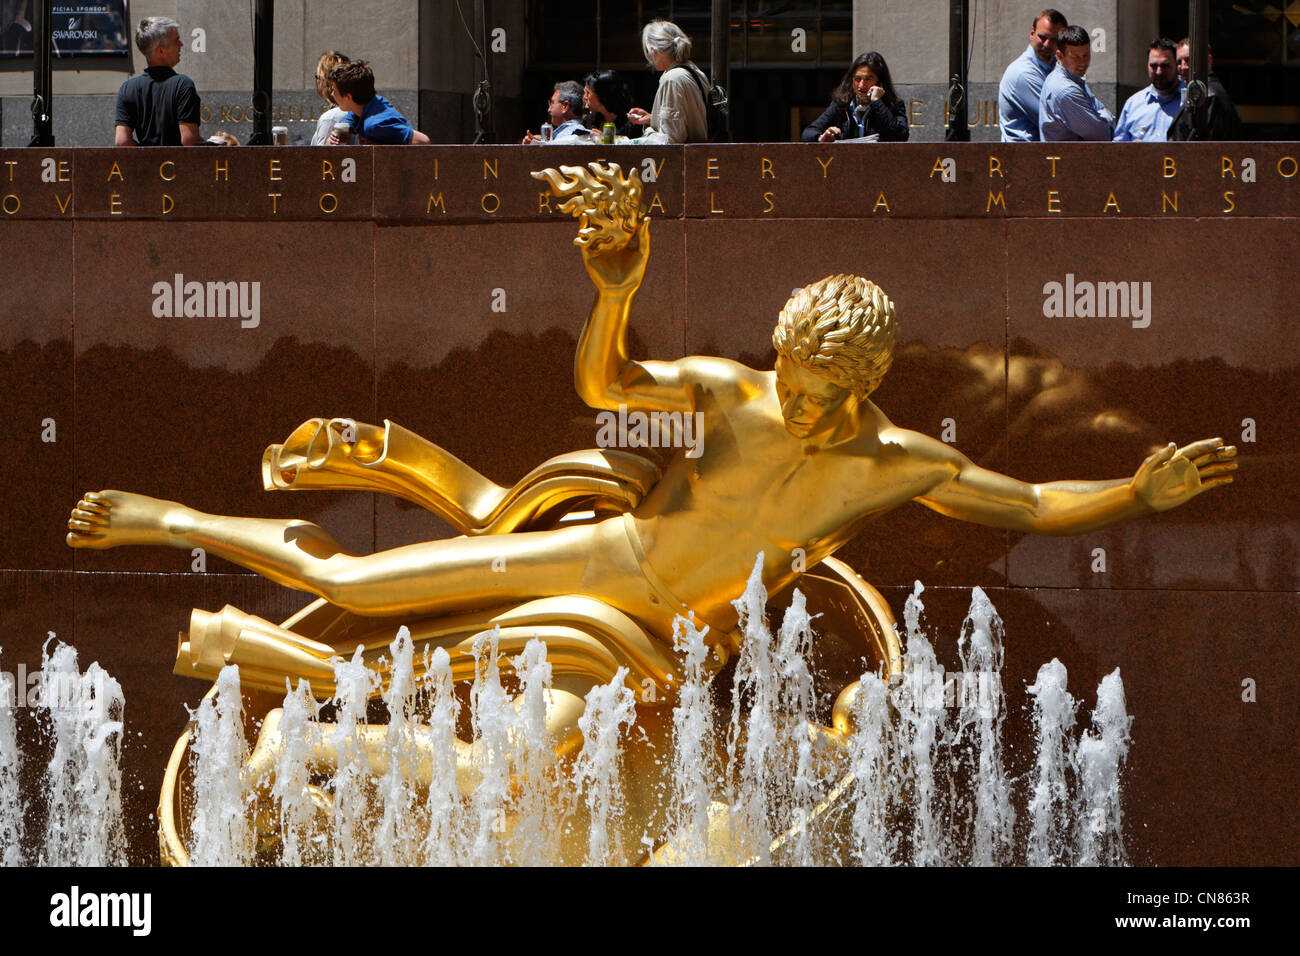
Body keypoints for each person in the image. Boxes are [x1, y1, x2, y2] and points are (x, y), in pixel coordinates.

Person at [68, 162, 1236, 705]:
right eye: (793, 373)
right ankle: (173, 518)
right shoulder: (731, 392)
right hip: (607, 562)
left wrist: (1137, 493)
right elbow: (605, 379)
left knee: (425, 686)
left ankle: (242, 645)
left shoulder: (897, 463)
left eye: (826, 387)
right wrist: (615, 284)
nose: (802, 401)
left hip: (687, 641)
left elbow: (1027, 504)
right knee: (371, 587)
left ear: (871, 376)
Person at [114, 16, 201, 146]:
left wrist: (149, 158)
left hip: (145, 165)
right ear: (161, 51)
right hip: (178, 165)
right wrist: (214, 144)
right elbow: (189, 140)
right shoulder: (183, 85)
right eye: (176, 40)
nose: (181, 44)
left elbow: (122, 141)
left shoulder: (128, 88)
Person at [627, 20, 709, 144]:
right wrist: (653, 118)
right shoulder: (694, 71)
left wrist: (649, 130)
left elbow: (669, 141)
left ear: (653, 51)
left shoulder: (672, 79)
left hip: (683, 161)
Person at [801, 51, 908, 143]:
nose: (861, 86)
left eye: (868, 79)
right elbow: (808, 133)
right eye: (857, 79)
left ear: (880, 82)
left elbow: (901, 136)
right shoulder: (842, 104)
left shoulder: (893, 105)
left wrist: (876, 102)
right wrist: (821, 137)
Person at [997, 9, 1068, 142]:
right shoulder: (1022, 73)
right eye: (1043, 37)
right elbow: (1055, 123)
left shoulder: (1058, 68)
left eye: (1054, 40)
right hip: (1022, 157)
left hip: (1044, 156)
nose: (1047, 44)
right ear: (1032, 33)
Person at [1038, 24, 1114, 141]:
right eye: (1075, 57)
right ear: (1060, 56)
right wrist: (1107, 120)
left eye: (1086, 55)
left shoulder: (1074, 78)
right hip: (1067, 158)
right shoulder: (1065, 90)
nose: (1082, 62)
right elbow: (1102, 134)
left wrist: (1102, 118)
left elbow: (1099, 108)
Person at [327, 60, 430, 145]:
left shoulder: (375, 125)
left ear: (348, 97)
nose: (332, 94)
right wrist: (334, 137)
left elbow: (423, 141)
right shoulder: (358, 111)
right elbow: (332, 143)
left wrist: (379, 148)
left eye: (334, 90)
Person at [1167, 38, 1242, 141]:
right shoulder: (1205, 92)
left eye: (1189, 60)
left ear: (1208, 60)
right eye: (1179, 62)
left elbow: (1203, 146)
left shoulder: (1208, 95)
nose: (1183, 67)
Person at [1112, 38, 1184, 142]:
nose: (1159, 72)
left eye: (1165, 66)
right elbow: (1118, 147)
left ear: (1176, 65)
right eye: (1153, 66)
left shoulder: (1188, 102)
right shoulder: (1133, 104)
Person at [311, 50, 355, 146]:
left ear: (325, 80)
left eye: (317, 76)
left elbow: (321, 157)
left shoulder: (331, 118)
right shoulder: (355, 110)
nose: (316, 80)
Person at [522, 81, 588, 144]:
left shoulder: (574, 132)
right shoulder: (574, 132)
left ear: (564, 106)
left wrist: (538, 145)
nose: (549, 109)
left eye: (552, 103)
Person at [582, 70, 636, 139]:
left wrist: (604, 140)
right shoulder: (588, 121)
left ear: (602, 95)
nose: (585, 97)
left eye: (588, 92)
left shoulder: (631, 126)